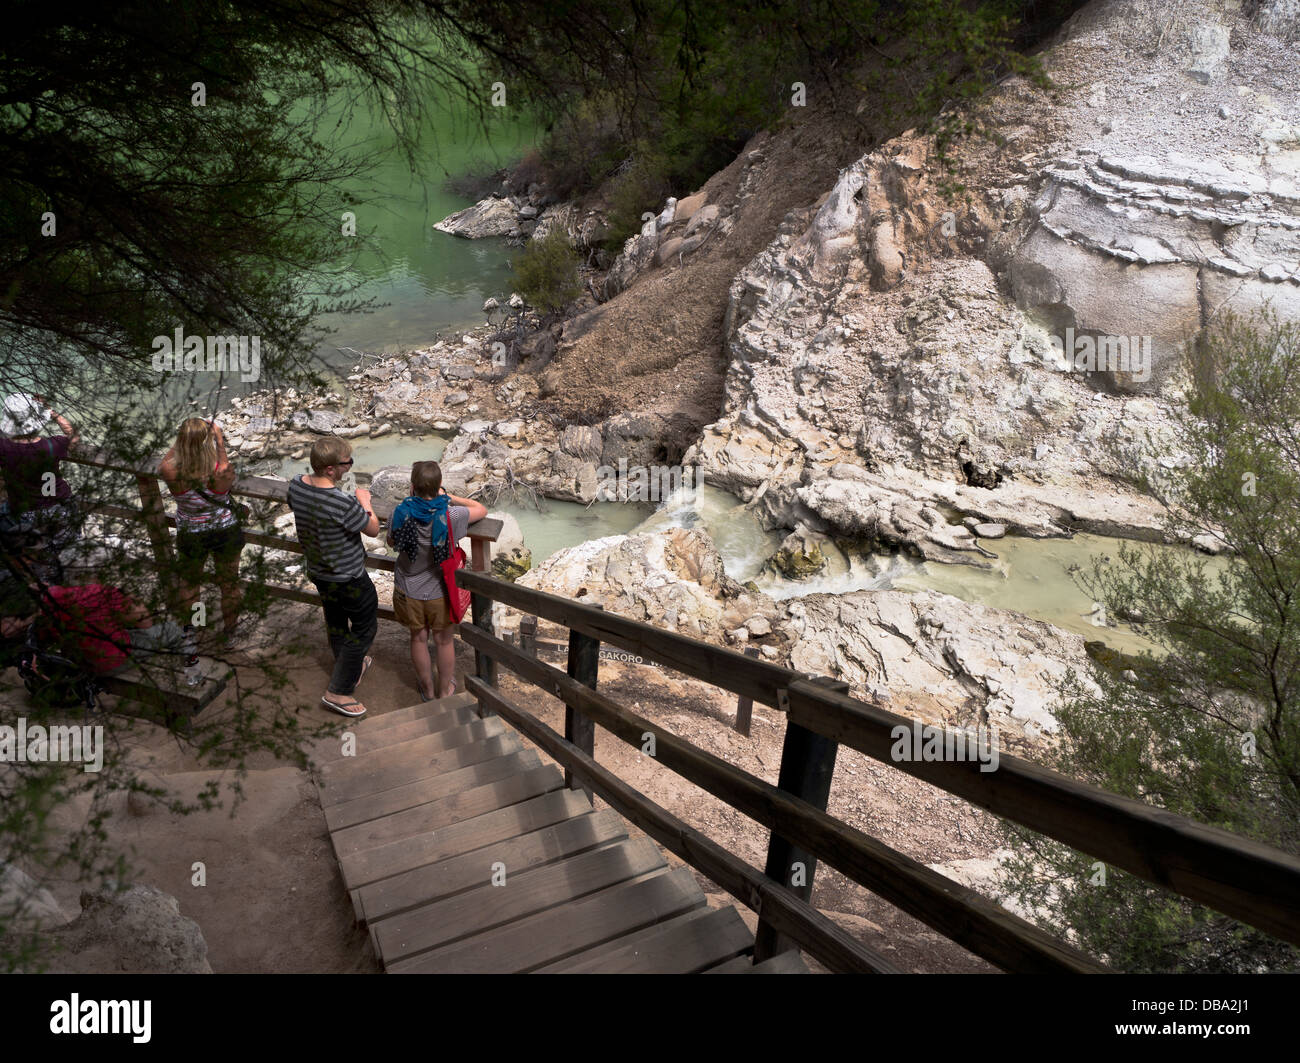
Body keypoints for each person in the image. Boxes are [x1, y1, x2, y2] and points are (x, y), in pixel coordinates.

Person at [287, 437, 379, 718]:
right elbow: (373, 529)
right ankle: (338, 691)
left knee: (336, 621)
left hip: (319, 570)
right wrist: (365, 502)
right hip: (349, 576)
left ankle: (348, 666)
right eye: (346, 463)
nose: (350, 466)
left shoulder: (296, 484)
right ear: (330, 469)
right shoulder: (341, 502)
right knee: (365, 628)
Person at [386, 461, 486, 701]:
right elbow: (481, 509)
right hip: (440, 590)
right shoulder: (450, 514)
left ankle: (428, 690)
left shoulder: (400, 513)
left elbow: (391, 542)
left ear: (412, 487)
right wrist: (450, 497)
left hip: (408, 588)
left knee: (418, 638)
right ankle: (444, 691)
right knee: (443, 641)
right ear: (439, 486)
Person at [158, 418, 244, 641]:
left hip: (191, 532)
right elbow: (224, 466)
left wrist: (184, 439)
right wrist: (219, 439)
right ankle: (230, 634)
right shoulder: (220, 470)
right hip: (224, 531)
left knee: (190, 584)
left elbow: (164, 461)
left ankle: (194, 629)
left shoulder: (170, 470)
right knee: (229, 584)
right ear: (208, 442)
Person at [0, 392, 83, 580]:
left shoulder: (4, 448)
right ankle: (68, 589)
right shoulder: (52, 445)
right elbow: (74, 436)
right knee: (69, 554)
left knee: (39, 557)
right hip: (59, 506)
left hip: (25, 511)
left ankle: (46, 589)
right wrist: (50, 411)